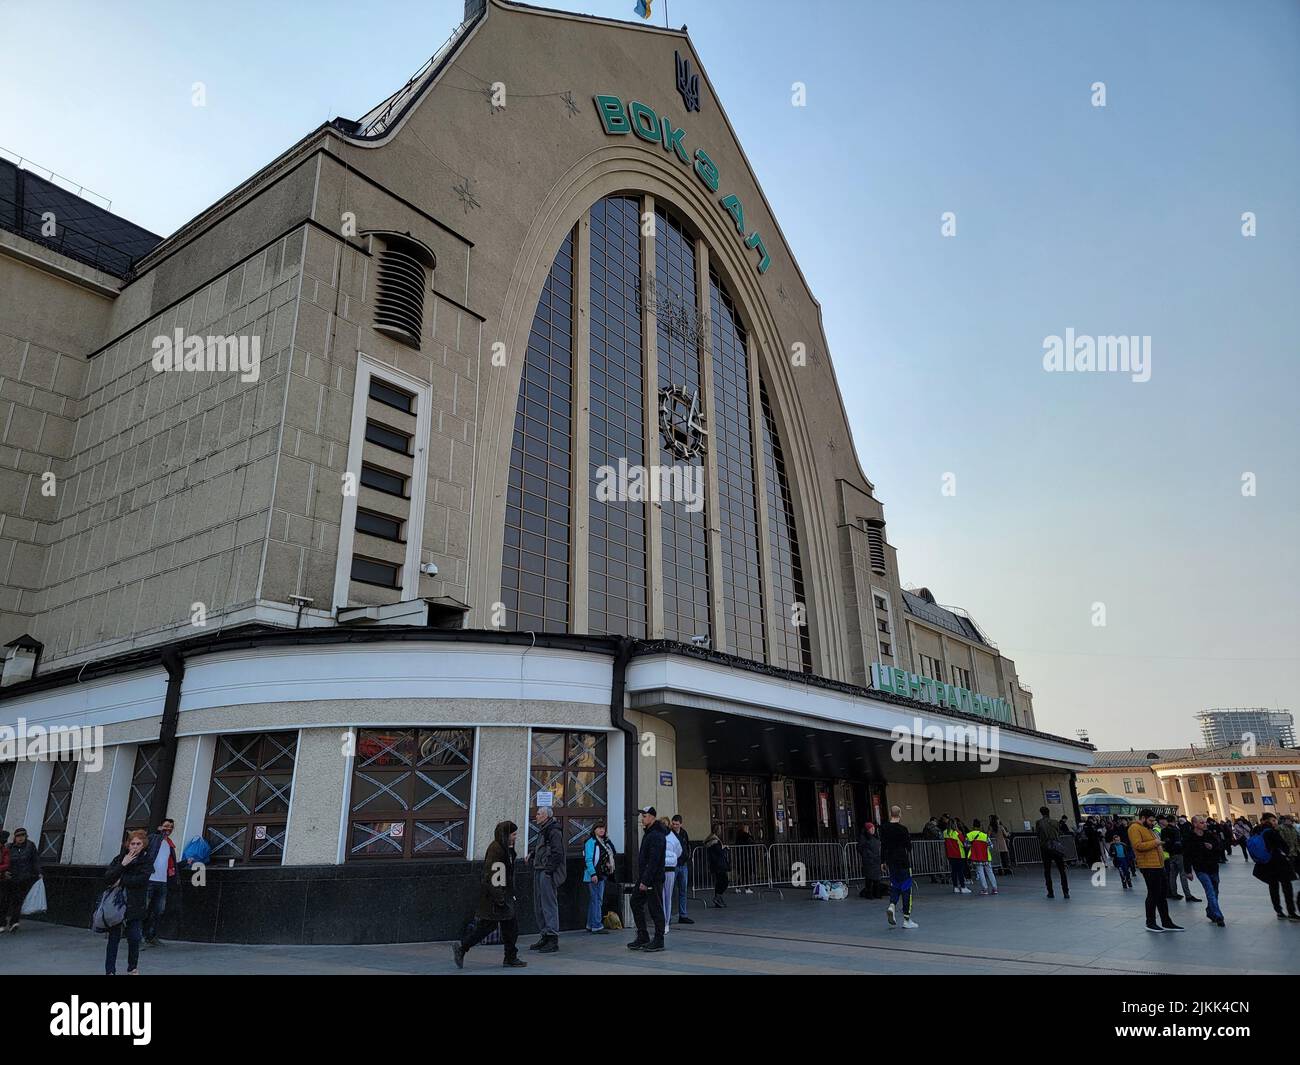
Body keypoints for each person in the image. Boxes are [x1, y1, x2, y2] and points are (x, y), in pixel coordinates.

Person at [454, 820, 526, 968]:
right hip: (496, 898)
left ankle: (510, 957)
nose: (515, 837)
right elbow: (494, 876)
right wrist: (500, 899)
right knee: (487, 928)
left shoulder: (505, 848)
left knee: (509, 928)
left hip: (502, 896)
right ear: (506, 835)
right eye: (513, 834)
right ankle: (462, 948)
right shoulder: (497, 850)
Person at [102, 829, 152, 975]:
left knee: (134, 938)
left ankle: (132, 968)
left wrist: (122, 880)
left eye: (138, 844)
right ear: (127, 845)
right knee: (113, 939)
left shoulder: (146, 861)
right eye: (132, 843)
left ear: (143, 845)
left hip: (135, 904)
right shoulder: (119, 859)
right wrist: (123, 865)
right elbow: (108, 878)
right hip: (117, 904)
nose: (135, 846)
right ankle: (110, 970)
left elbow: (141, 880)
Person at [1128, 808, 1183, 932]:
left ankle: (1166, 921)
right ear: (1143, 818)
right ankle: (1150, 922)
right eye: (1151, 820)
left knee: (1161, 895)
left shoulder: (1148, 829)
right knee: (1153, 894)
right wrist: (1155, 842)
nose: (1153, 823)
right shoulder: (1134, 828)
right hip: (1148, 866)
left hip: (1158, 865)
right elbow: (1137, 846)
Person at [527, 805, 565, 954]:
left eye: (538, 814)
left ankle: (552, 938)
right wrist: (532, 853)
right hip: (539, 869)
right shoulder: (544, 829)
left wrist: (549, 870)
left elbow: (558, 853)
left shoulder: (553, 830)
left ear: (546, 816)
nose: (536, 816)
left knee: (548, 904)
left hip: (546, 871)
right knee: (539, 904)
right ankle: (544, 935)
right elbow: (542, 848)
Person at [629, 806, 666, 952]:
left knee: (655, 907)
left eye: (644, 816)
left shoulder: (656, 835)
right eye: (642, 816)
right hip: (645, 876)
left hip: (653, 879)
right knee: (635, 902)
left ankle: (659, 939)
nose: (642, 819)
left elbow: (654, 861)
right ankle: (643, 935)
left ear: (652, 817)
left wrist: (645, 881)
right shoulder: (649, 833)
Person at [1249, 813, 1300, 921]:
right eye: (1273, 820)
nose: (1275, 822)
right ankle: (1291, 912)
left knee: (1273, 887)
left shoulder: (1256, 830)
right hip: (1278, 863)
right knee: (1287, 887)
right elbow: (1283, 846)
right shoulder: (1271, 831)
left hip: (1266, 864)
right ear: (1267, 821)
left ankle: (1279, 911)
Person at [142, 817, 178, 946]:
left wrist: (186, 862)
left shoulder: (170, 845)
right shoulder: (153, 839)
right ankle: (139, 936)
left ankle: (151, 936)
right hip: (150, 880)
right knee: (144, 909)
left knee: (158, 910)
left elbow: (171, 864)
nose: (169, 829)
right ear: (159, 827)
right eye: (166, 826)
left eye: (171, 827)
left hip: (163, 882)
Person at [880, 805, 918, 929]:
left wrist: (883, 861)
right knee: (906, 889)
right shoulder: (903, 829)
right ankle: (906, 918)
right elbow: (909, 847)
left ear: (891, 814)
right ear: (900, 814)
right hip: (903, 861)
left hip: (891, 862)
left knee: (895, 885)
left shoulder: (884, 828)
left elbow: (883, 846)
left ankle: (892, 904)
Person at [1186, 816, 1226, 927]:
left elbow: (1220, 847)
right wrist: (1188, 871)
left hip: (1213, 867)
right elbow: (1187, 855)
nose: (1205, 824)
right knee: (1210, 891)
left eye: (1205, 822)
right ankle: (1218, 916)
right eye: (1202, 822)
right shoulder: (1190, 838)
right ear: (1195, 824)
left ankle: (1210, 910)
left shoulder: (1209, 835)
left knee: (1215, 891)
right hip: (1201, 869)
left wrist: (1212, 847)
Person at [1, 826, 40, 933]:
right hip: (10, 878)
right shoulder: (9, 847)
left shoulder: (30, 846)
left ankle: (14, 922)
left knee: (18, 901)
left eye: (23, 835)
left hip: (23, 878)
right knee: (5, 900)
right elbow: (5, 861)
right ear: (14, 837)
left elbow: (35, 860)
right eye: (18, 836)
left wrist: (38, 872)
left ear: (26, 836)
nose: (20, 838)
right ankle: (2, 923)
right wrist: (5, 872)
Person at [582, 820, 616, 934]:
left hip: (602, 874)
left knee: (595, 900)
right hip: (594, 875)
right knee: (596, 900)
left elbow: (613, 851)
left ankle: (590, 924)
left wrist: (608, 839)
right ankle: (596, 925)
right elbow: (588, 859)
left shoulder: (604, 842)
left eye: (603, 828)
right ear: (594, 830)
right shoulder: (591, 842)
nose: (602, 830)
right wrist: (593, 874)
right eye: (599, 828)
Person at [1159, 815, 1199, 902]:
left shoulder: (1164, 830)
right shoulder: (1175, 830)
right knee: (1182, 874)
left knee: (1172, 875)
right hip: (1179, 854)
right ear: (1174, 820)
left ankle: (1174, 893)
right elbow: (1178, 842)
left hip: (1170, 854)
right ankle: (1188, 895)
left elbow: (1164, 843)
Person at [1034, 806, 1070, 900]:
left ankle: (1050, 892)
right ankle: (1065, 892)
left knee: (1047, 871)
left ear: (1041, 813)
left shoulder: (1039, 823)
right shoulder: (1055, 822)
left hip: (1045, 847)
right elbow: (1059, 832)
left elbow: (1038, 835)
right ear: (1049, 812)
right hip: (1056, 846)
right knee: (1062, 870)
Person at [670, 815, 693, 924]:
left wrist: (687, 857)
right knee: (670, 891)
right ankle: (668, 916)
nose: (674, 826)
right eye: (673, 824)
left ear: (681, 824)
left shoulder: (684, 833)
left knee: (683, 890)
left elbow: (687, 845)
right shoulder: (669, 833)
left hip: (683, 864)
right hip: (673, 865)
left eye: (677, 824)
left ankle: (683, 915)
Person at [660, 817, 681, 935]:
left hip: (669, 870)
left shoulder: (672, 838)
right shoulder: (657, 836)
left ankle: (666, 922)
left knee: (667, 896)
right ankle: (662, 921)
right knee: (661, 897)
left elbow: (679, 852)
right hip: (660, 870)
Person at [967, 819, 998, 895]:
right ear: (980, 826)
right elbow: (991, 846)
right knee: (990, 872)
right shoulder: (984, 835)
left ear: (973, 826)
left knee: (981, 872)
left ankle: (985, 889)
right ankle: (995, 888)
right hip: (986, 856)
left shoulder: (969, 835)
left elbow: (966, 845)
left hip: (976, 856)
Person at [703, 826, 730, 907]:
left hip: (715, 864)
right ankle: (717, 897)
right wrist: (725, 849)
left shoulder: (711, 840)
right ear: (717, 831)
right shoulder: (715, 841)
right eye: (720, 829)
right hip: (719, 864)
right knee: (724, 881)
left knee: (719, 882)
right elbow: (720, 852)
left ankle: (718, 899)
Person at [943, 819, 970, 893]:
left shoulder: (945, 832)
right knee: (960, 871)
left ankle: (955, 887)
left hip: (950, 855)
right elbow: (964, 843)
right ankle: (963, 887)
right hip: (959, 854)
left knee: (954, 871)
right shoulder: (958, 833)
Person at [857, 821, 883, 899]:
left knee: (877, 878)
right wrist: (868, 855)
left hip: (876, 859)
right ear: (868, 830)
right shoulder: (864, 838)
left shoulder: (875, 837)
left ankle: (877, 893)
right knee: (869, 878)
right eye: (871, 828)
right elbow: (860, 848)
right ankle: (869, 893)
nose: (873, 830)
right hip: (869, 860)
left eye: (873, 828)